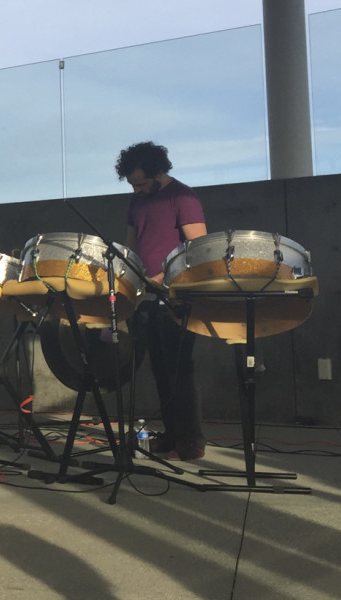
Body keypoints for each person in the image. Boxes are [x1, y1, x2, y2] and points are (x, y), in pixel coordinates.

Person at [116, 141, 207, 461]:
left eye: (140, 183)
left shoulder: (182, 197)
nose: (137, 189)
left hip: (175, 297)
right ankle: (171, 437)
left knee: (179, 369)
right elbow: (131, 249)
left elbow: (197, 250)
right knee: (159, 369)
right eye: (131, 184)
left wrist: (161, 278)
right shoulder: (136, 201)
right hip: (145, 297)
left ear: (159, 171)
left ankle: (191, 444)